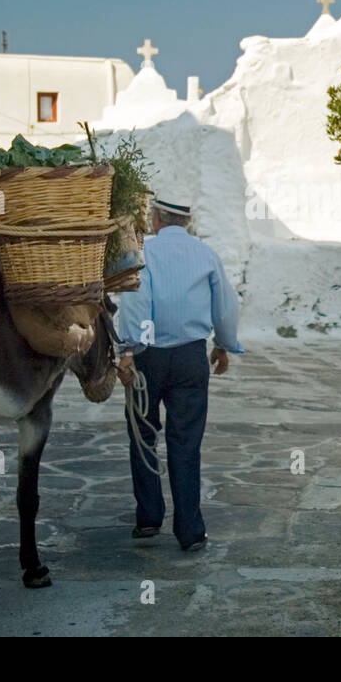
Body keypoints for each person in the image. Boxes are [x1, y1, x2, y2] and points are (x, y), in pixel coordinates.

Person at [114, 196, 243, 551]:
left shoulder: (145, 251)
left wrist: (127, 350)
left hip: (148, 355)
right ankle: (190, 530)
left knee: (142, 434)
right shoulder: (206, 254)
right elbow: (226, 305)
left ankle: (149, 518)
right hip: (190, 357)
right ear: (186, 222)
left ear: (156, 218)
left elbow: (136, 301)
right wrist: (224, 345)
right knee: (186, 441)